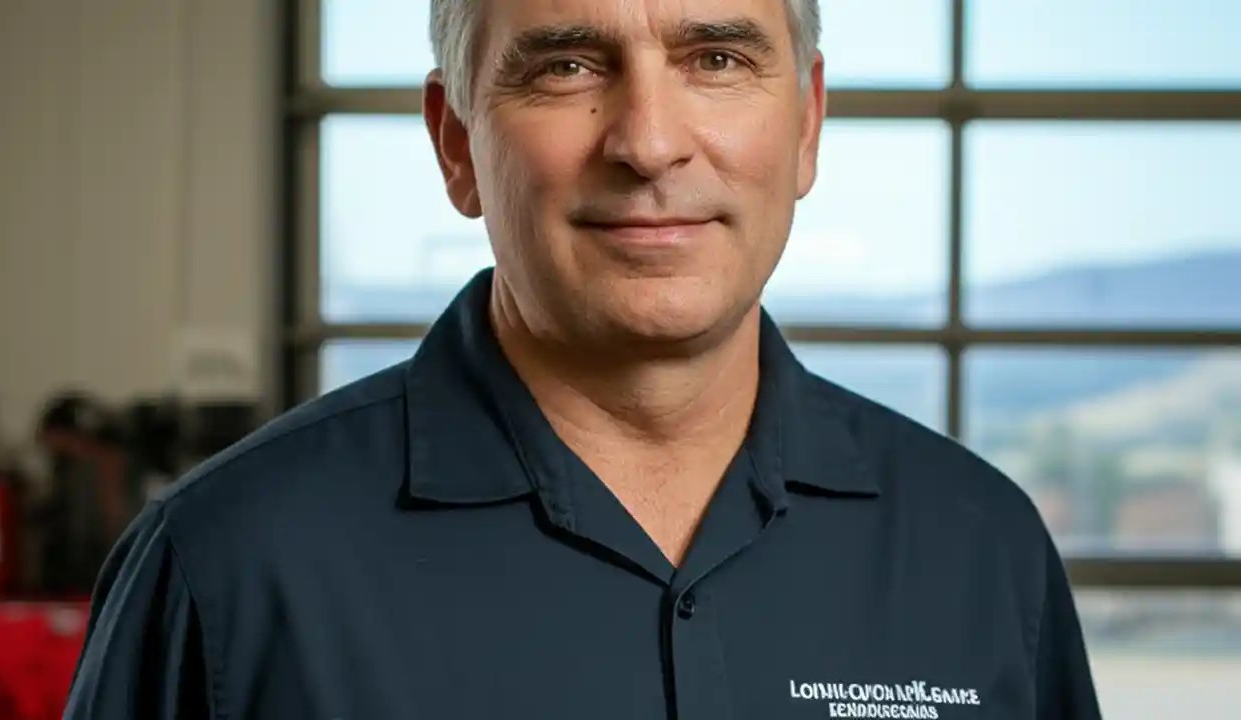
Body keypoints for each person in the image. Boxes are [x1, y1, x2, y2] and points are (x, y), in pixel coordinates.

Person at [65, 0, 1103, 717]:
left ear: (806, 125)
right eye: (566, 65)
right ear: (455, 144)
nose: (648, 142)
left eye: (717, 58)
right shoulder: (223, 565)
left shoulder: (980, 550)